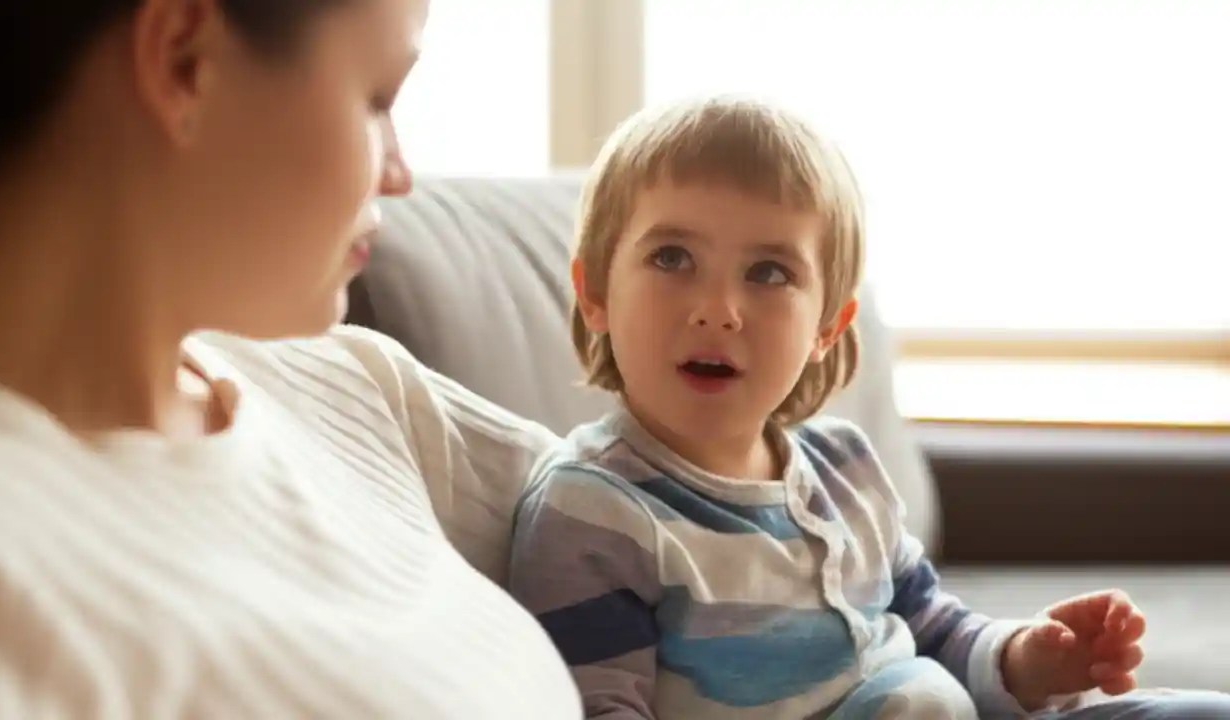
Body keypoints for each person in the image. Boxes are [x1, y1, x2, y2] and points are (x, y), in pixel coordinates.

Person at [0, 0, 582, 717]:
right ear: (186, 59)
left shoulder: (352, 387)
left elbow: (707, 526)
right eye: (377, 98)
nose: (401, 173)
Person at [507, 96, 1230, 720]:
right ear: (595, 291)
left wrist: (1026, 657)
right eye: (672, 258)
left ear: (827, 326)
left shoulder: (843, 463)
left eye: (769, 272)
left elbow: (931, 625)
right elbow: (598, 705)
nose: (718, 310)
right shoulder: (593, 509)